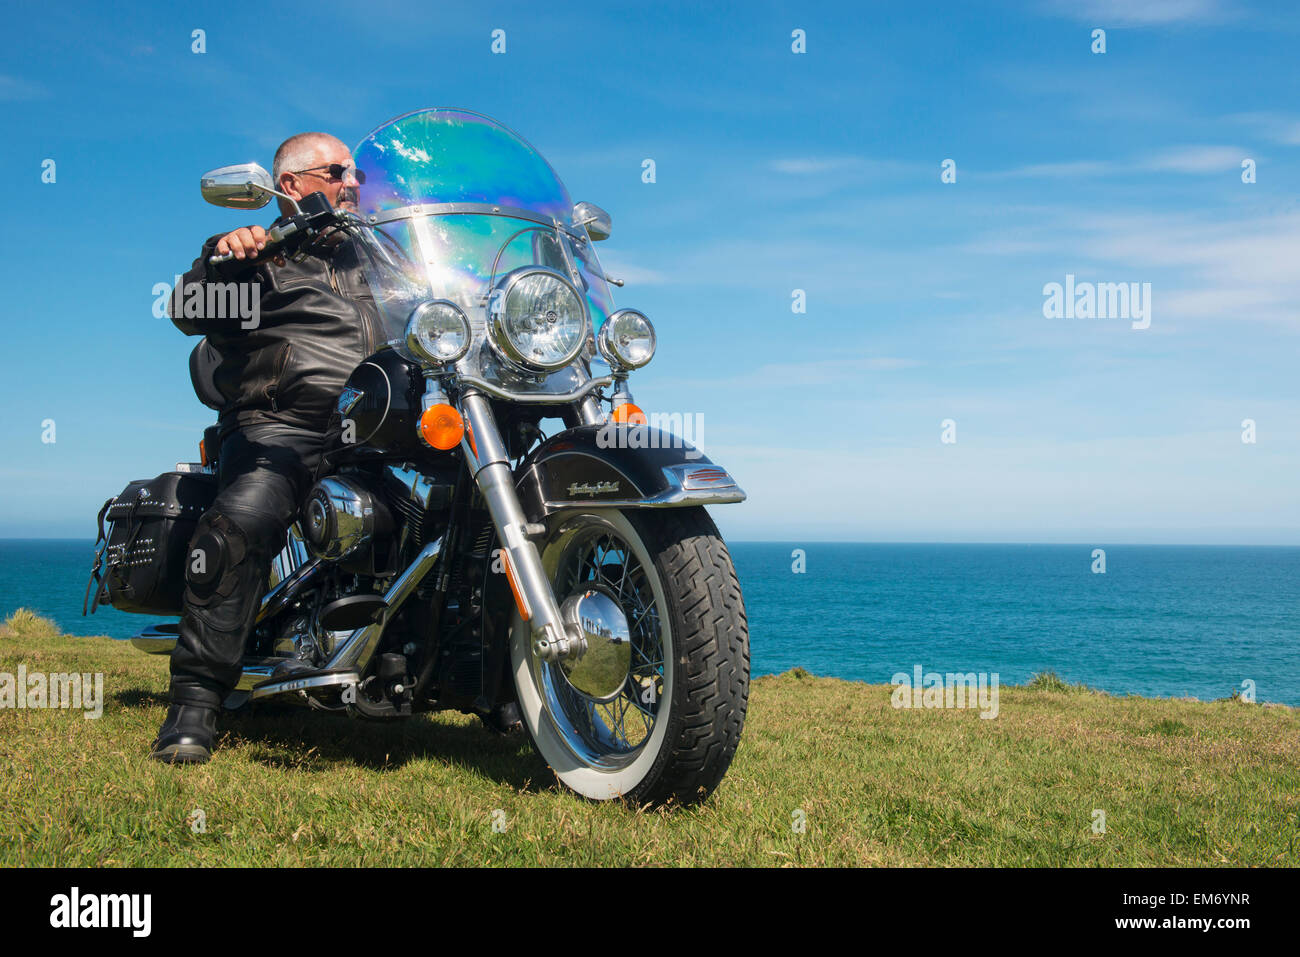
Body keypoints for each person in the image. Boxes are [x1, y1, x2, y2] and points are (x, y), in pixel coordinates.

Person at [151, 132, 381, 764]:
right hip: (285, 426)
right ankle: (195, 702)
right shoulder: (262, 256)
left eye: (358, 174)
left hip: (387, 428)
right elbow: (188, 309)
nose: (355, 184)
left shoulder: (386, 260)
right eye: (339, 172)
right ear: (291, 186)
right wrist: (225, 258)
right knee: (242, 521)